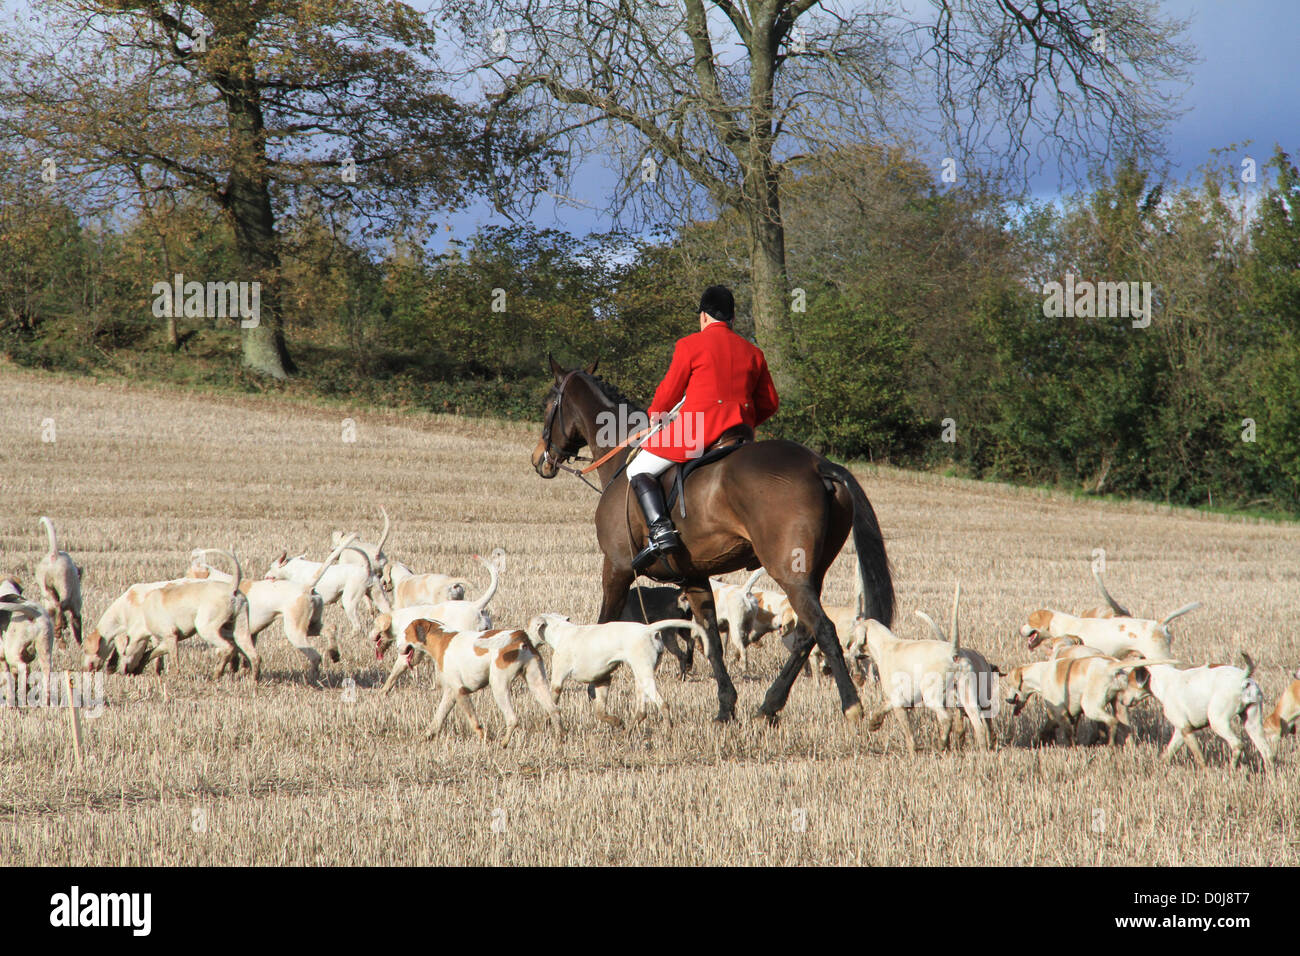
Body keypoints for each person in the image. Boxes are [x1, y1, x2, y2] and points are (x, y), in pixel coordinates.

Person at [626, 285, 779, 572]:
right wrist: (743, 421)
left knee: (636, 469)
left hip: (697, 433)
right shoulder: (754, 352)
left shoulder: (690, 345)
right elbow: (770, 402)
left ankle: (660, 531)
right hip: (740, 437)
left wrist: (655, 418)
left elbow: (668, 393)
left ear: (705, 316)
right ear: (732, 320)